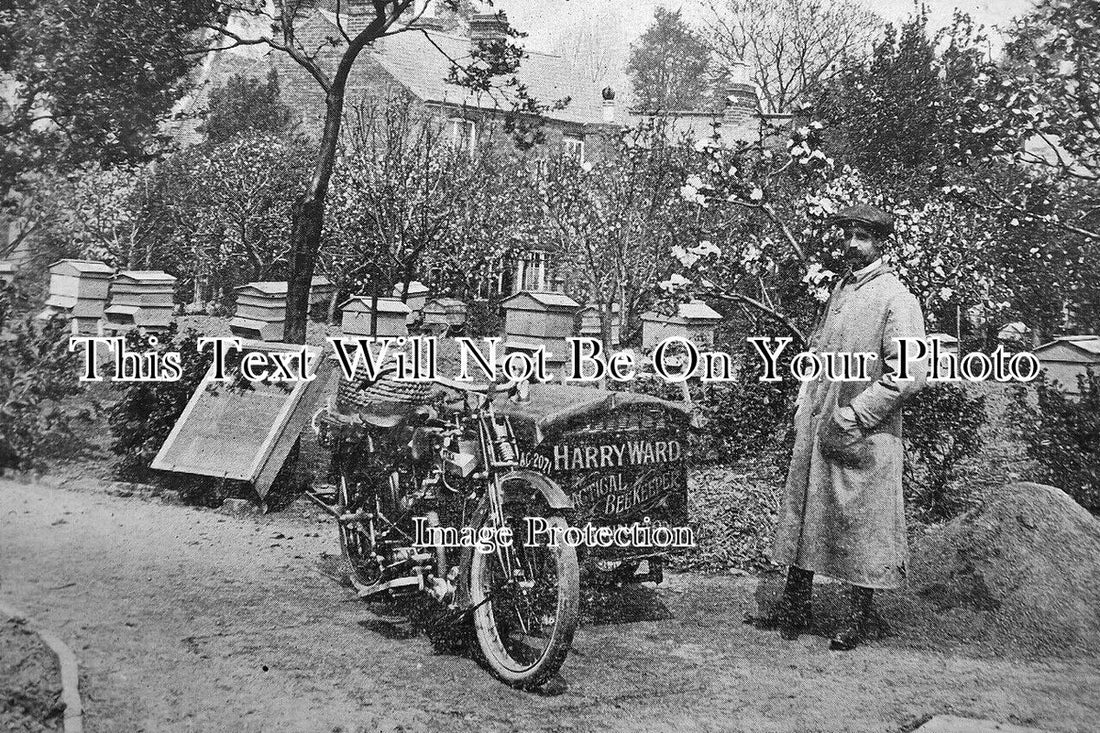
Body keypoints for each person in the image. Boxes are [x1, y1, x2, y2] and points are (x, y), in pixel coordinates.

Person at [750, 202, 928, 651]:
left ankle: (857, 617)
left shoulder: (896, 298)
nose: (852, 245)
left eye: (862, 237)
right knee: (806, 512)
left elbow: (909, 373)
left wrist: (857, 413)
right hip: (821, 420)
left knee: (861, 521)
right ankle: (795, 606)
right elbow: (819, 350)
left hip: (865, 430)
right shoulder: (842, 290)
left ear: (882, 243)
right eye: (848, 236)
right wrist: (803, 400)